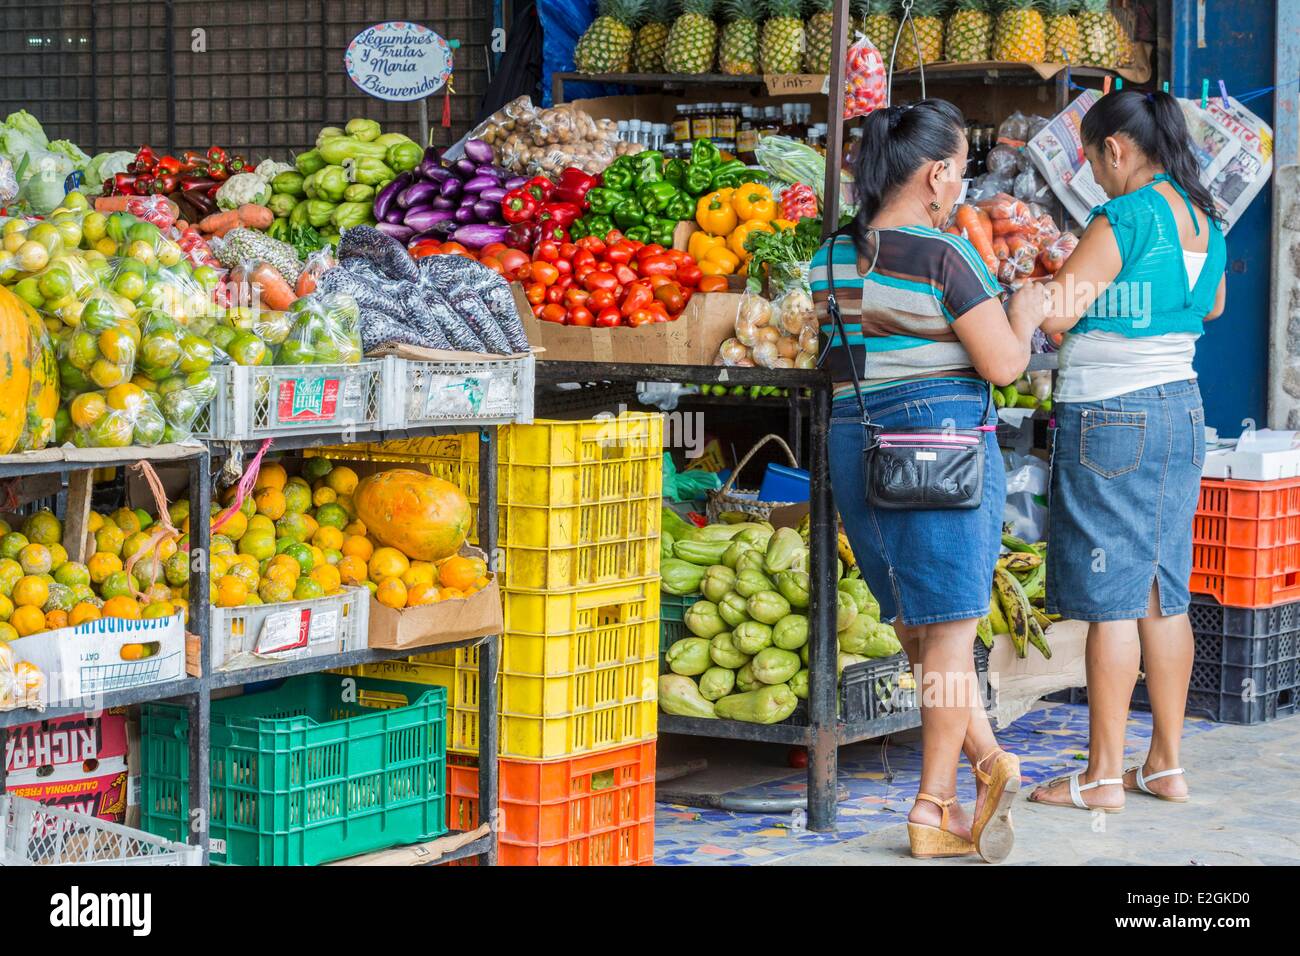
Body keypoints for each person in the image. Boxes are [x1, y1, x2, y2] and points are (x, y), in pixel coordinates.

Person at [810, 99, 1044, 862]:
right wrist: (1031, 310)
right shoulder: (941, 254)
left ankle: (987, 763)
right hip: (935, 448)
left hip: (856, 442)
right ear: (938, 172)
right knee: (948, 639)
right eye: (962, 168)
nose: (963, 184)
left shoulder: (830, 256)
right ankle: (932, 808)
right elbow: (1005, 365)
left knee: (918, 630)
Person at [1027, 90, 1227, 813]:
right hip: (1181, 409)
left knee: (1113, 601)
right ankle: (1164, 765)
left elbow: (1060, 311)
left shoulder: (1127, 215)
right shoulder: (1203, 217)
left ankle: (1101, 775)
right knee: (1161, 593)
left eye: (1090, 159)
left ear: (1115, 149)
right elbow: (1210, 307)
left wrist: (1031, 294)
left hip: (1113, 414)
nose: (1092, 175)